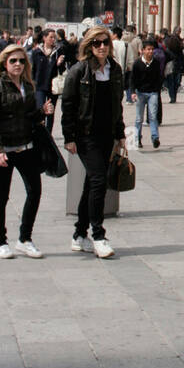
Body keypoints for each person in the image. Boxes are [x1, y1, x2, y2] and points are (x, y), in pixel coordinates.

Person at [61, 26, 127, 259]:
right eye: (97, 43)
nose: (102, 47)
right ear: (89, 46)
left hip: (106, 134)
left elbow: (117, 105)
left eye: (105, 43)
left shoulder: (115, 70)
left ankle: (79, 235)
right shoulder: (79, 71)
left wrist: (120, 134)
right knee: (99, 180)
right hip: (86, 135)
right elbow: (68, 105)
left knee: (91, 184)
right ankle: (98, 235)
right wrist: (68, 136)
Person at [0, 44, 53, 258]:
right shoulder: (1, 85)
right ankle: (1, 241)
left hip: (26, 146)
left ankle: (24, 238)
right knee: (2, 196)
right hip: (6, 149)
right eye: (13, 61)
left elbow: (29, 116)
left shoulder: (27, 85)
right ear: (5, 63)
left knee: (35, 191)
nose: (18, 65)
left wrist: (42, 112)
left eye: (22, 61)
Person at [131, 37, 162, 148]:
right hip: (140, 92)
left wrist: (158, 90)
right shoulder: (137, 63)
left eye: (152, 49)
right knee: (139, 118)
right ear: (143, 50)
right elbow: (133, 78)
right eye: (148, 49)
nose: (150, 51)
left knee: (153, 116)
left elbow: (159, 77)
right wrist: (133, 91)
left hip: (153, 92)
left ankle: (155, 138)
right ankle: (137, 138)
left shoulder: (156, 63)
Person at [31, 28, 59, 136]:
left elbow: (62, 71)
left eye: (54, 37)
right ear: (44, 38)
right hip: (39, 85)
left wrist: (59, 63)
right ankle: (40, 133)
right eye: (51, 37)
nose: (53, 39)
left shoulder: (58, 51)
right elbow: (33, 69)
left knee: (51, 112)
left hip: (53, 86)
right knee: (41, 110)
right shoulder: (36, 52)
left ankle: (48, 135)